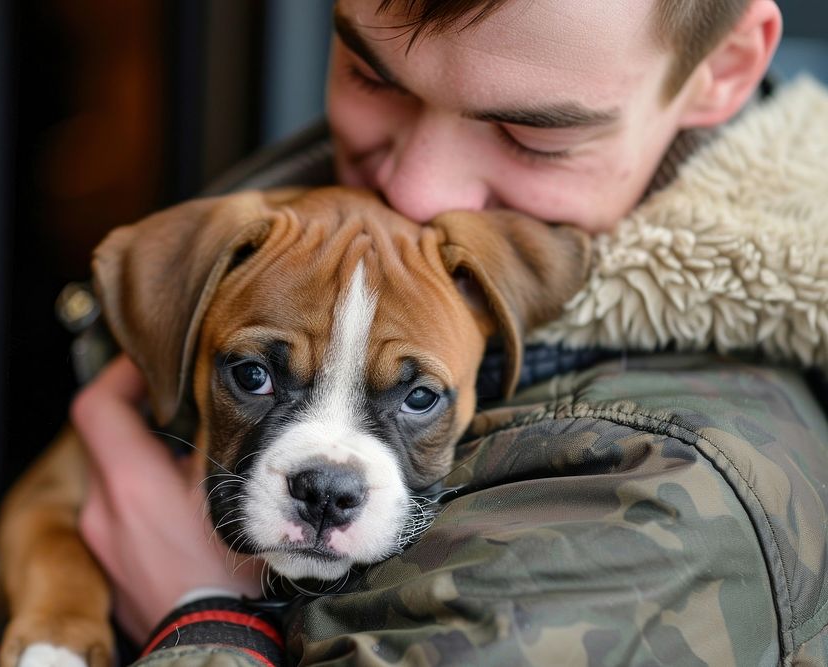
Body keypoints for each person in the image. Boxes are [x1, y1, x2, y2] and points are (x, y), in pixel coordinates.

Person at [72, 0, 828, 665]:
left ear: (722, 67)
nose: (417, 192)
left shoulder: (668, 486)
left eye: (532, 134)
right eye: (373, 78)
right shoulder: (266, 244)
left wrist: (200, 613)